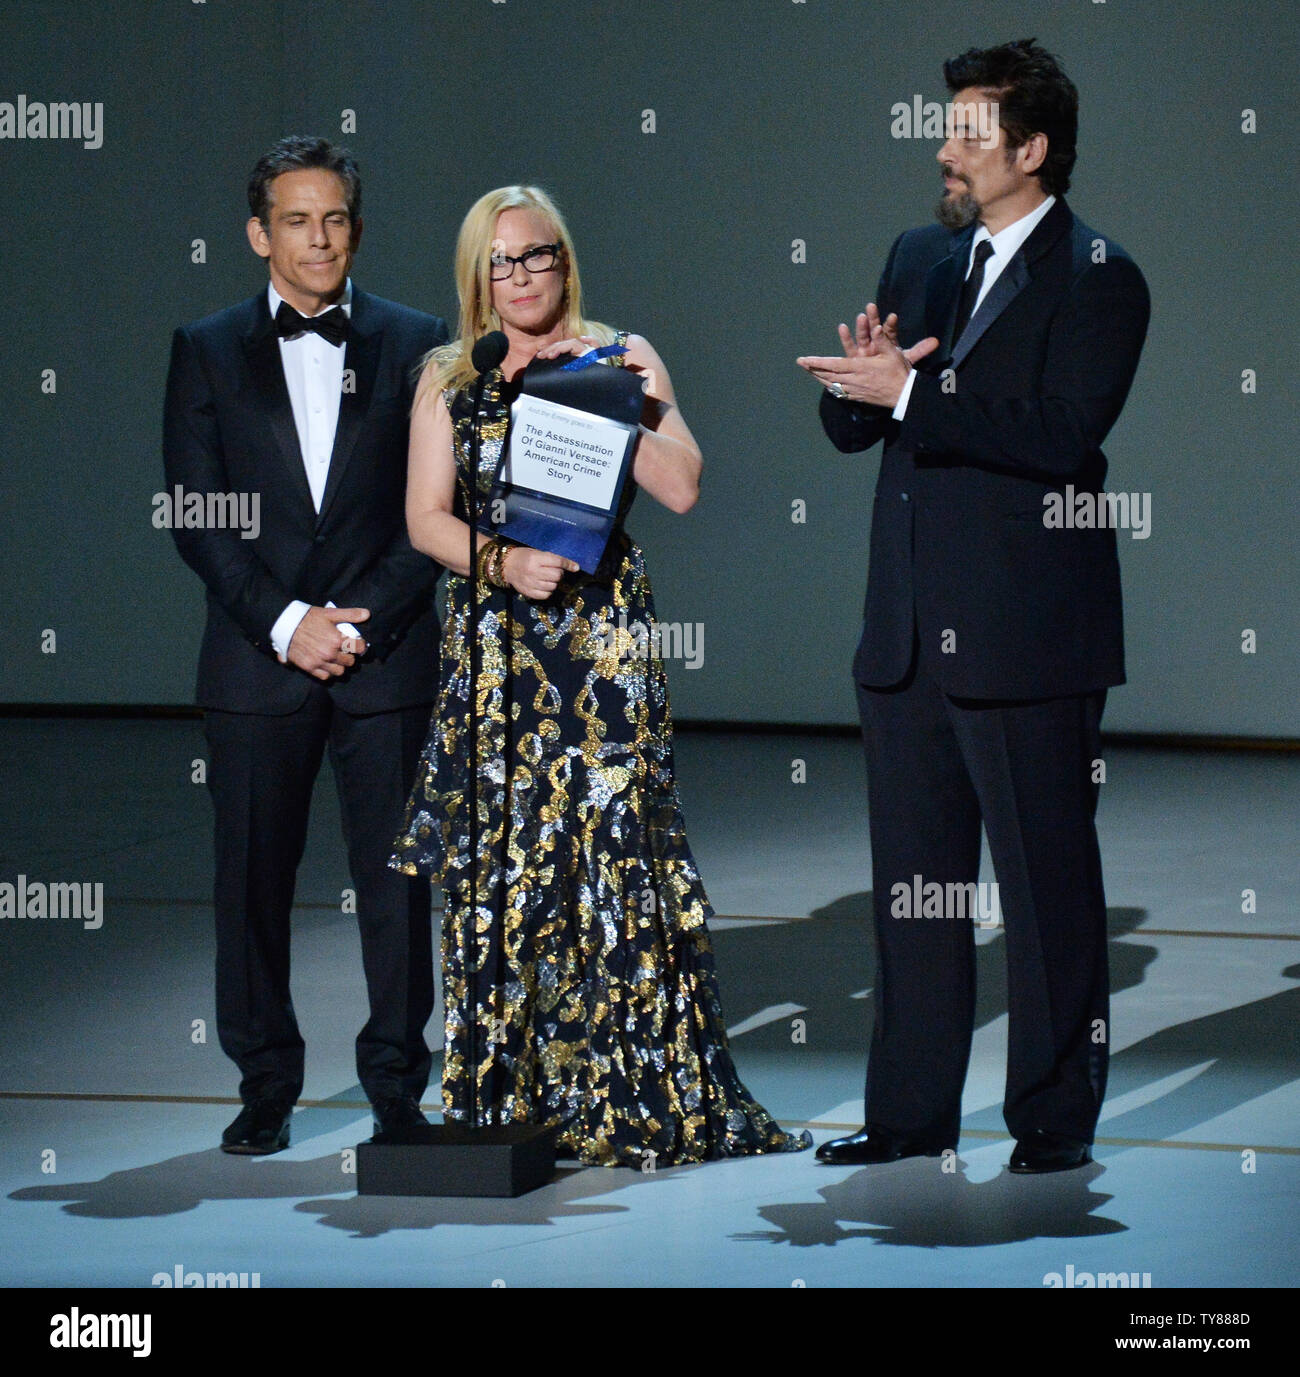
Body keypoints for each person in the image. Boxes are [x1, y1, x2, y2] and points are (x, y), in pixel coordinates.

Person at [391, 185, 809, 1167]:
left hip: (601, 635)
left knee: (610, 851)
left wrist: (619, 403)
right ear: (476, 277)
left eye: (537, 256)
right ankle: (517, 1095)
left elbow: (682, 483)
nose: (522, 275)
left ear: (563, 261)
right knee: (508, 858)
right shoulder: (450, 377)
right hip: (500, 639)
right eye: (501, 262)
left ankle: (633, 1094)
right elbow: (423, 519)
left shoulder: (619, 353)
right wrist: (501, 563)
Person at [797, 40, 1150, 1172]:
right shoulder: (919, 255)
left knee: (1046, 894)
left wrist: (914, 392)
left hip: (1027, 635)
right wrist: (862, 393)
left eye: (964, 134)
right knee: (915, 894)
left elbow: (1060, 437)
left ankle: (1050, 1121)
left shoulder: (1100, 276)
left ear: (1030, 151)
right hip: (905, 637)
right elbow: (869, 426)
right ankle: (907, 1116)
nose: (942, 151)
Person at [163, 136, 449, 1154]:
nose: (318, 238)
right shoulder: (204, 347)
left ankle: (397, 1089)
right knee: (250, 882)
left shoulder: (420, 342)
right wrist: (289, 625)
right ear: (258, 234)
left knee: (397, 887)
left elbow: (437, 511)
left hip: (387, 656)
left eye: (334, 219)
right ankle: (266, 1086)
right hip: (255, 661)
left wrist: (354, 621)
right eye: (296, 219)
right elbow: (198, 514)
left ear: (357, 230)